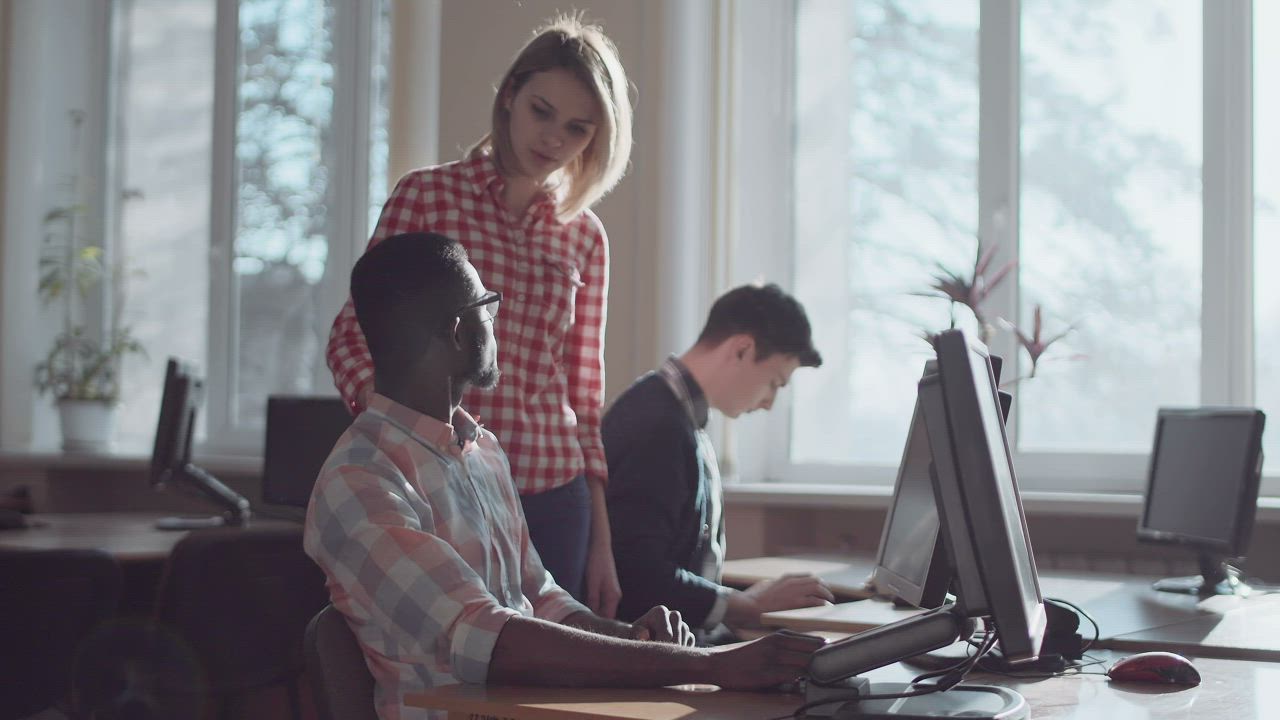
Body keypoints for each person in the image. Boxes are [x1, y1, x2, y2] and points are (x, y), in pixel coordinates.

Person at [304, 233, 824, 720]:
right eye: (488, 306)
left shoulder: (480, 450)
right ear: (459, 330)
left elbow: (542, 599)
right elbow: (491, 639)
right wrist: (711, 666)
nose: (497, 322)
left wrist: (633, 638)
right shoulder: (361, 480)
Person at [326, 14, 627, 616]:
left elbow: (584, 395)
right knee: (458, 672)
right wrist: (408, 442)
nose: (554, 139)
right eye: (542, 111)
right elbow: (350, 340)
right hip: (442, 484)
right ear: (511, 93)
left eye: (578, 128)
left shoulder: (585, 237)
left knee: (558, 694)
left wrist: (603, 541)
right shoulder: (427, 196)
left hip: (553, 492)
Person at [604, 283, 834, 638]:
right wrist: (747, 607)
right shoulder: (657, 426)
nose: (769, 402)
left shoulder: (679, 416)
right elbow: (638, 574)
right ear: (742, 349)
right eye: (775, 382)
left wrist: (744, 602)